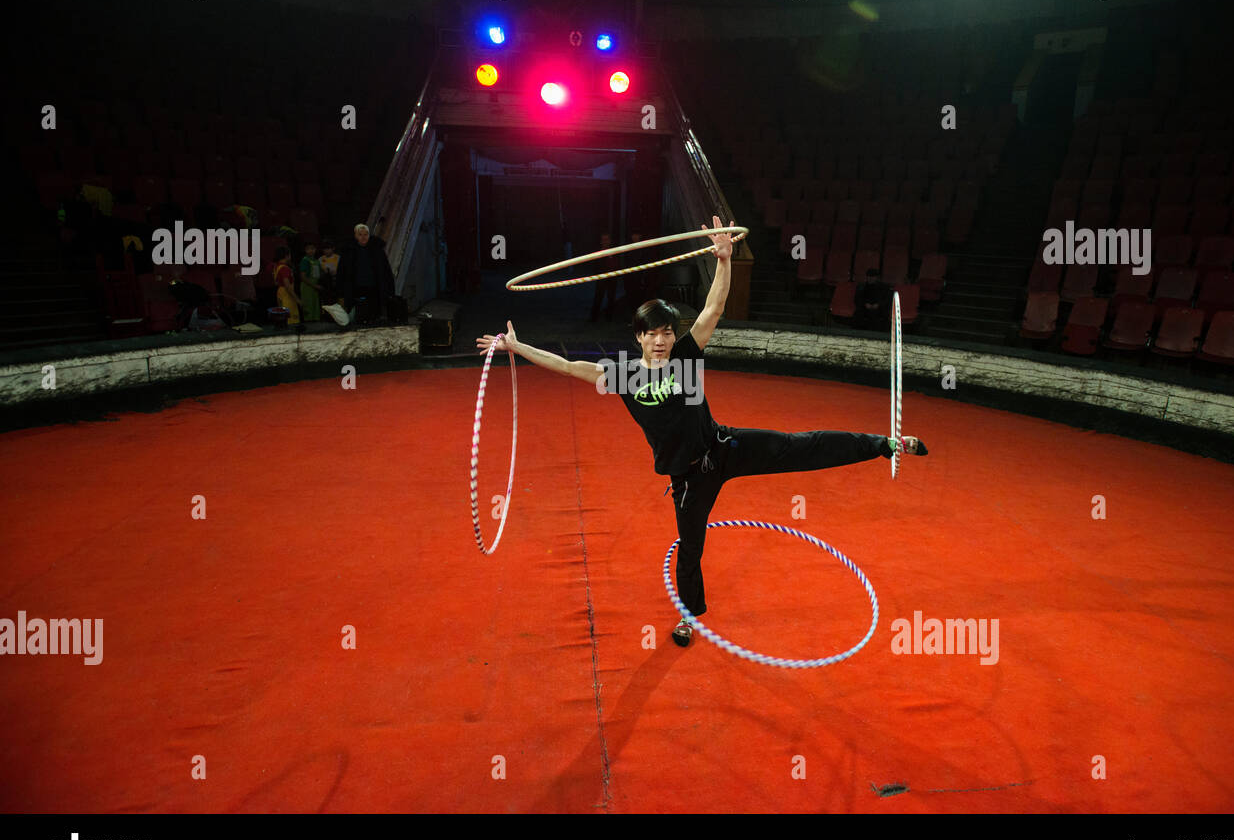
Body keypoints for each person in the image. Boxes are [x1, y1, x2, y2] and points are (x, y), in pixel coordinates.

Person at [478, 215, 929, 649]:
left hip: (723, 446)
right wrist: (517, 347)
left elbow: (713, 307)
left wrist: (725, 260)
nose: (661, 340)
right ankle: (689, 616)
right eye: (653, 334)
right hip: (687, 477)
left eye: (667, 333)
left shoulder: (686, 356)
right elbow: (567, 365)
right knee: (691, 548)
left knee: (799, 446)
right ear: (638, 337)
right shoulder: (623, 376)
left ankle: (884, 444)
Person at [336, 224, 395, 324]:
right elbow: (342, 271)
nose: (363, 237)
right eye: (360, 234)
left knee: (374, 315)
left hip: (374, 286)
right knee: (358, 316)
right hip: (356, 287)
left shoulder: (377, 250)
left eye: (366, 234)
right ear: (355, 236)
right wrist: (341, 291)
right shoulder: (348, 251)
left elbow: (386, 270)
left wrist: (389, 288)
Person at [298, 240, 323, 323]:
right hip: (307, 288)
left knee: (315, 307)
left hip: (315, 287)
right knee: (308, 307)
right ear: (305, 250)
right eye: (308, 249)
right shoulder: (305, 261)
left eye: (312, 248)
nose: (311, 251)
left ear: (315, 249)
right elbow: (303, 277)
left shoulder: (316, 261)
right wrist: (315, 286)